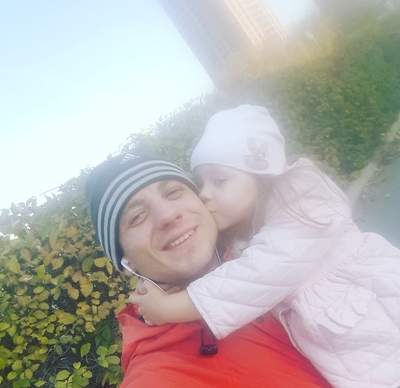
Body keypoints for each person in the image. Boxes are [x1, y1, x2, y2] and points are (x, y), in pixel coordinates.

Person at [129, 105, 400, 388]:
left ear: (260, 176)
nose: (205, 194)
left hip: (378, 321)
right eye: (201, 183)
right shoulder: (247, 229)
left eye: (219, 181)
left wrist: (171, 307)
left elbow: (258, 273)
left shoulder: (301, 201)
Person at [85, 152, 331, 388]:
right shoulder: (160, 372)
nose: (168, 215)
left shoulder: (275, 238)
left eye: (173, 192)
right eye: (137, 216)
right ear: (127, 263)